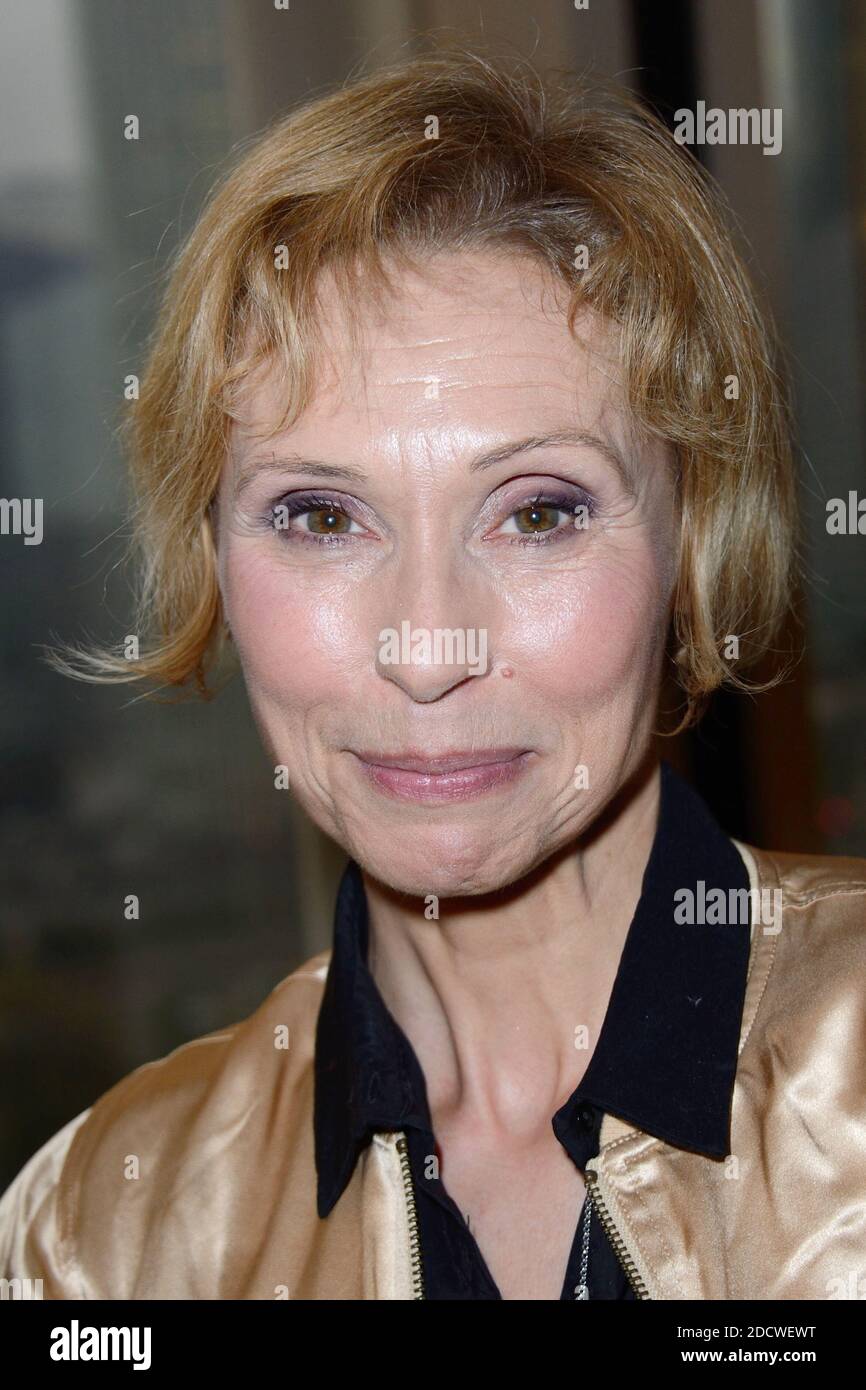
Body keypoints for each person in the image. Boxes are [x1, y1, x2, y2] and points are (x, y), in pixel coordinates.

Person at [2, 49, 865, 1301]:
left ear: (696, 542)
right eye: (317, 516)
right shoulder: (100, 1237)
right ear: (211, 566)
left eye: (537, 513)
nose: (423, 647)